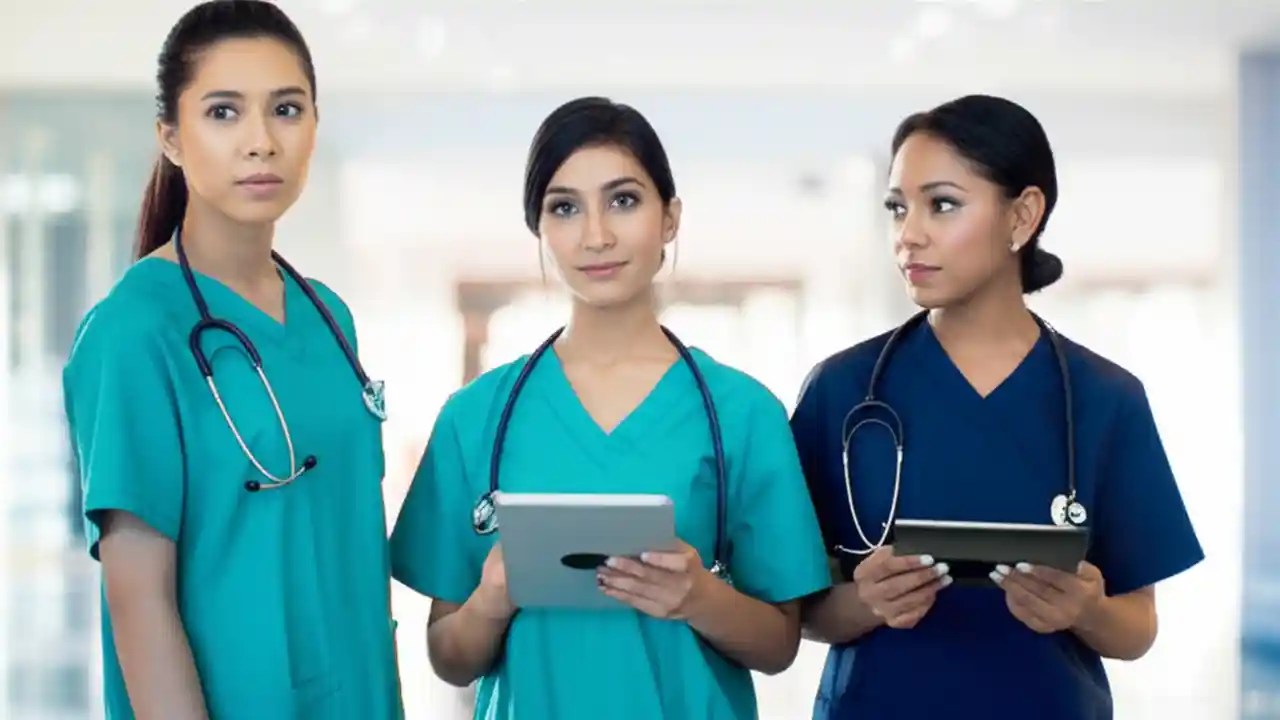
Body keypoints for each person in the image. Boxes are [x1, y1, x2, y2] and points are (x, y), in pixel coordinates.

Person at [388, 96, 831, 719]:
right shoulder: (476, 415)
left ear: (670, 218)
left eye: (623, 200)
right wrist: (491, 599)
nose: (596, 235)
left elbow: (779, 642)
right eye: (564, 208)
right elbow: (449, 657)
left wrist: (698, 595)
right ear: (540, 229)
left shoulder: (742, 412)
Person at [793, 94, 1204, 719]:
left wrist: (1086, 610)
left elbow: (1138, 626)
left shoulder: (1105, 399)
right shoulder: (842, 390)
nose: (909, 234)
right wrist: (865, 602)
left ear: (1023, 216)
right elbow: (795, 611)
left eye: (943, 204)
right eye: (898, 208)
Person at [60, 2, 401, 718]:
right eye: (223, 113)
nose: (260, 141)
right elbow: (139, 605)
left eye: (286, 109)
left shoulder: (328, 317)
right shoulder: (133, 332)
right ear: (171, 139)